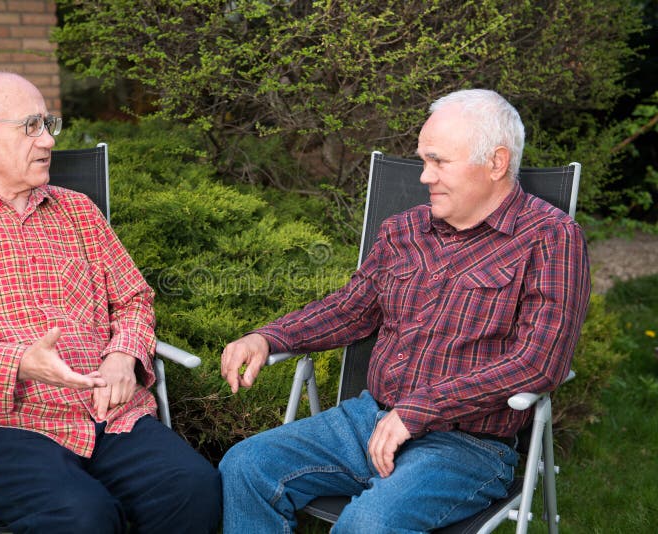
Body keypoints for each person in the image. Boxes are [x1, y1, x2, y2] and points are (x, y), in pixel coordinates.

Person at [219, 89, 591, 533]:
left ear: (496, 163)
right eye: (423, 160)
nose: (424, 177)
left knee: (369, 523)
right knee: (246, 465)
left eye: (439, 161)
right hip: (367, 420)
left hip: (465, 448)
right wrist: (267, 337)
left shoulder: (550, 238)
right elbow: (350, 309)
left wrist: (419, 411)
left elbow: (539, 362)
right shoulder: (405, 229)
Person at [0, 71, 221, 534]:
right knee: (82, 516)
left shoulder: (78, 210)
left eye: (48, 125)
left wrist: (125, 355)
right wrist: (18, 362)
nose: (47, 141)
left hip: (106, 413)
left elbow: (134, 298)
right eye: (31, 126)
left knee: (194, 486)